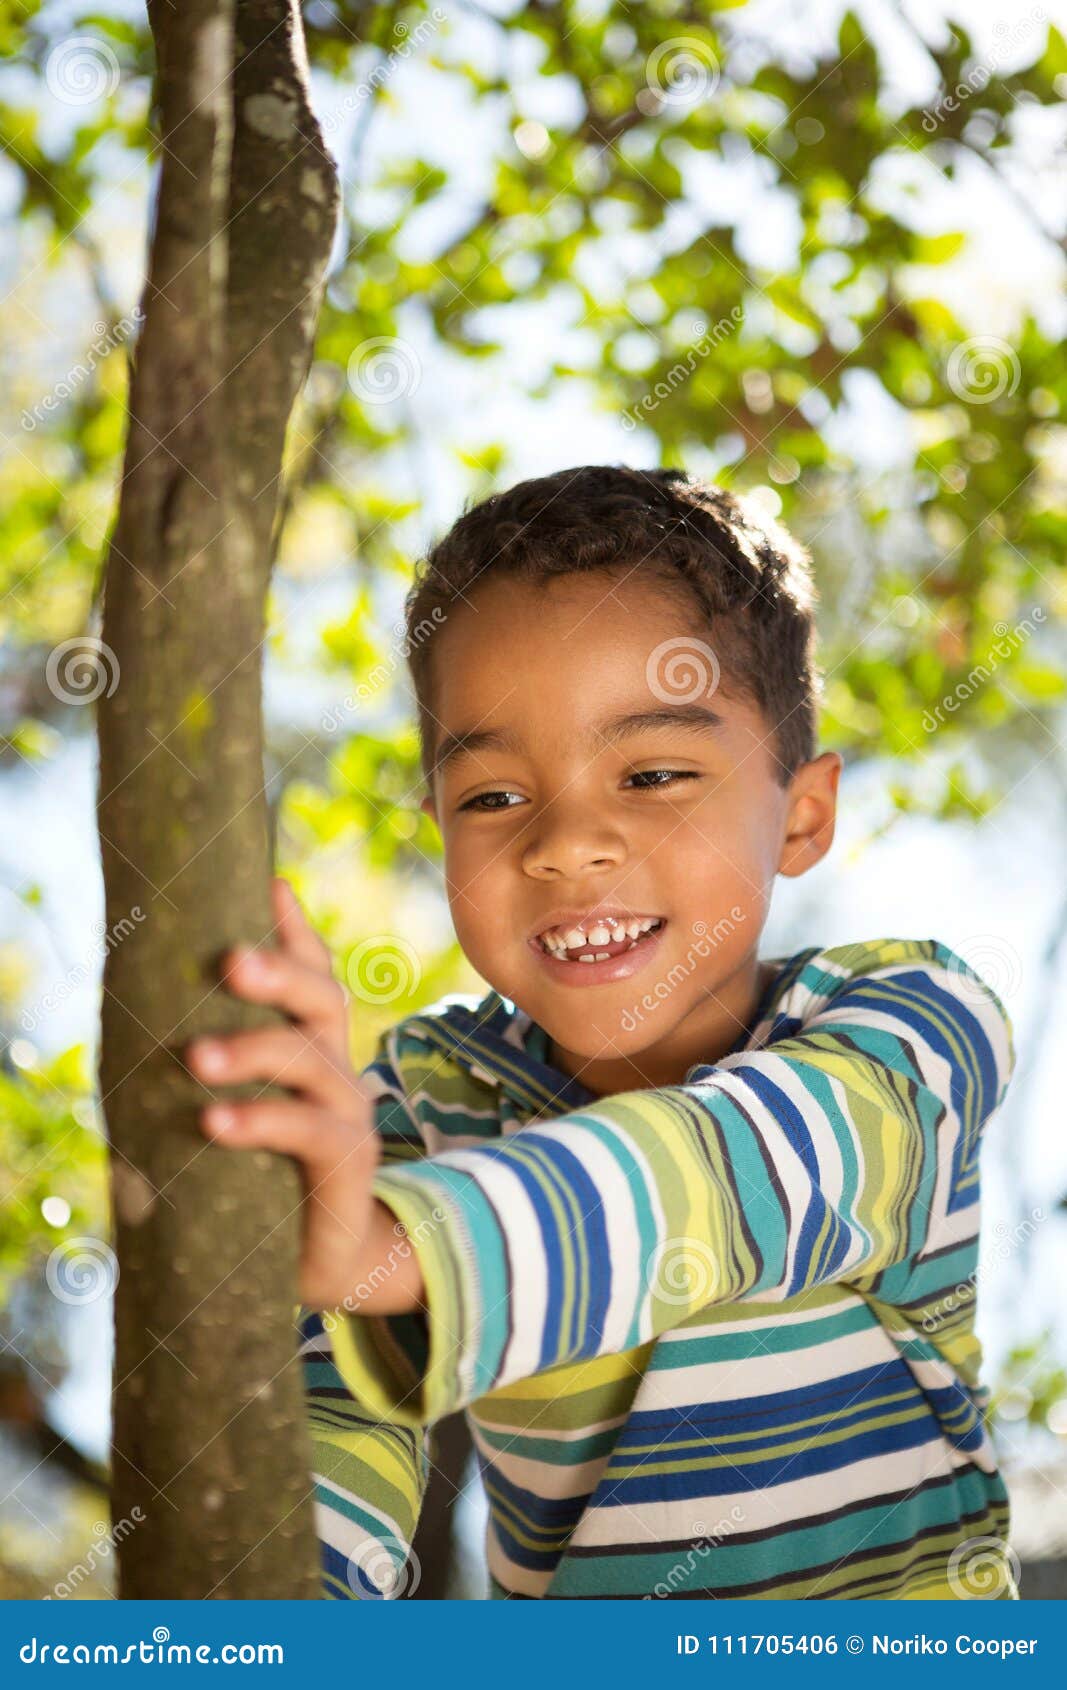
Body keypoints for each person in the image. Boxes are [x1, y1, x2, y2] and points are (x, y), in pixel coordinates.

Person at [185, 465, 1017, 1601]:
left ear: (802, 812)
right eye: (492, 797)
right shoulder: (421, 1108)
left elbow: (728, 1172)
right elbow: (315, 1458)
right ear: (437, 828)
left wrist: (397, 1246)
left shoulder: (908, 1027)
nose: (566, 842)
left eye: (653, 771)